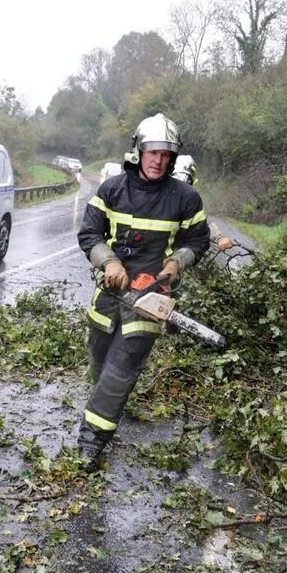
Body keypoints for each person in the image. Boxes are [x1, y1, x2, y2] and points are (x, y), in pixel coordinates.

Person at [75, 113, 211, 471]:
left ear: (174, 158)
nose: (159, 161)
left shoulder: (185, 198)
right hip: (109, 293)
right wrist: (109, 262)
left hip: (151, 296)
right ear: (139, 150)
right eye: (153, 152)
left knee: (123, 367)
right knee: (100, 362)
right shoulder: (112, 189)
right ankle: (105, 407)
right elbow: (89, 232)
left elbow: (198, 239)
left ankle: (91, 443)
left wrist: (176, 264)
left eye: (167, 155)